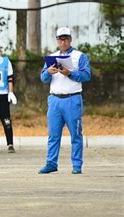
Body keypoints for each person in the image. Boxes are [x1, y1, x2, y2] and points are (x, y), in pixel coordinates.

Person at [38, 27, 91, 174]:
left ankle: (77, 165)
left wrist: (71, 74)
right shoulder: (52, 57)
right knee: (53, 134)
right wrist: (48, 72)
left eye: (66, 38)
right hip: (55, 99)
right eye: (60, 39)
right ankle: (51, 163)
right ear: (57, 40)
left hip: (72, 98)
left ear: (70, 39)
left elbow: (86, 75)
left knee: (76, 133)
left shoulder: (79, 56)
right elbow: (43, 78)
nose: (63, 42)